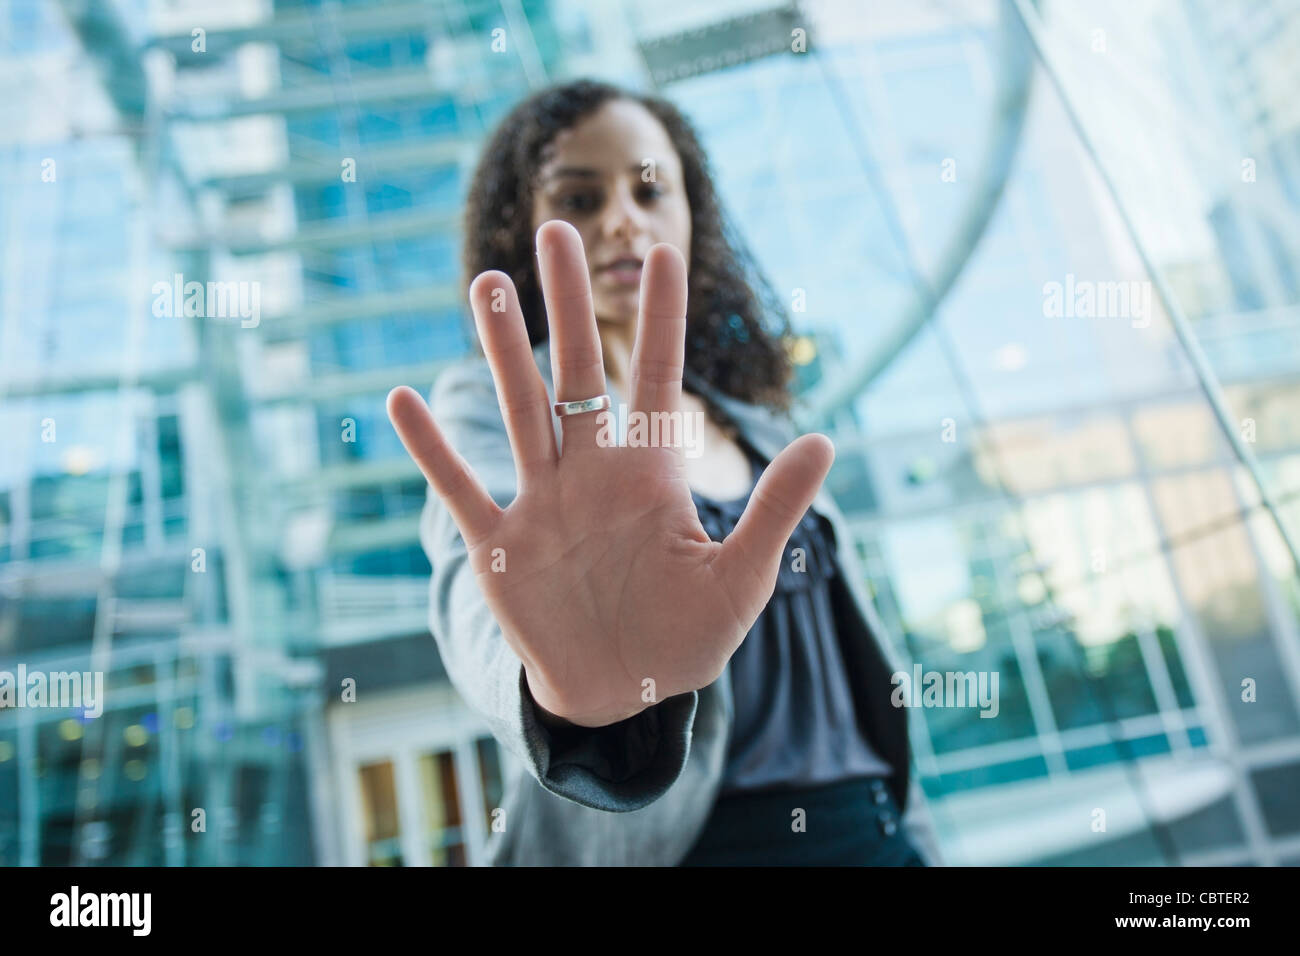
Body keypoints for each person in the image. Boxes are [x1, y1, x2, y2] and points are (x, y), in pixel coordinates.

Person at [386, 78, 943, 866]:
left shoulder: (759, 427)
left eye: (651, 190)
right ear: (525, 228)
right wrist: (555, 687)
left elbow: (855, 684)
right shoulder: (496, 403)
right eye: (579, 198)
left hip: (873, 834)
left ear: (692, 216)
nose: (621, 219)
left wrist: (917, 838)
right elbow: (476, 582)